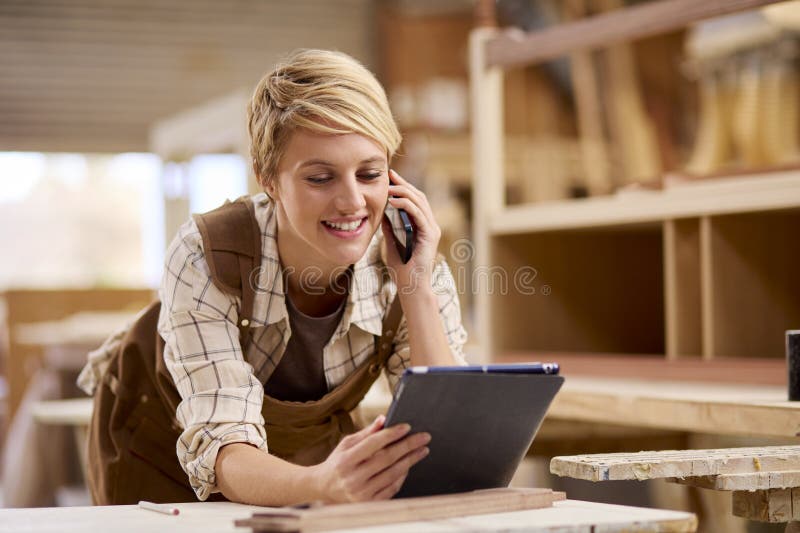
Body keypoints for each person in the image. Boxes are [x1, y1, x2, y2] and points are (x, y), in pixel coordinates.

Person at [157, 49, 468, 506]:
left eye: (369, 173)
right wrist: (320, 485)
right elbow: (223, 446)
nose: (352, 201)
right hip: (166, 464)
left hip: (311, 470)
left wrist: (416, 286)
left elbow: (450, 435)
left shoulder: (406, 257)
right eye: (321, 178)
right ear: (267, 178)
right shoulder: (206, 255)